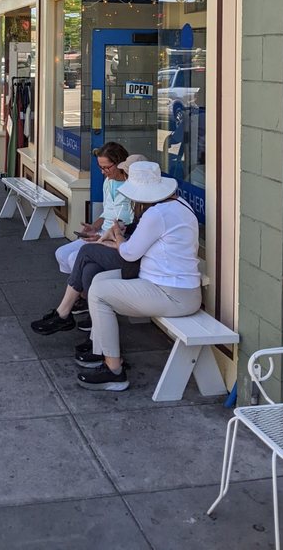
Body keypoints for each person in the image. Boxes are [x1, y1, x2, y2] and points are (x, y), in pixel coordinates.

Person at [76, 160, 202, 392]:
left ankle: (113, 369)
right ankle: (99, 348)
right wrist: (121, 239)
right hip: (180, 290)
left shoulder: (157, 214)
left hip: (170, 294)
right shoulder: (180, 205)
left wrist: (117, 238)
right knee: (99, 281)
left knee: (99, 293)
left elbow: (130, 253)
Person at [54, 145, 144, 275]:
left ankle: (81, 290)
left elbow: (131, 225)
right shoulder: (108, 182)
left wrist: (104, 238)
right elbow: (106, 212)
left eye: (106, 167)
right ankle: (79, 288)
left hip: (118, 237)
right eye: (100, 167)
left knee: (74, 258)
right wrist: (94, 227)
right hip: (101, 233)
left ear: (119, 164)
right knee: (61, 254)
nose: (103, 172)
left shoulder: (132, 187)